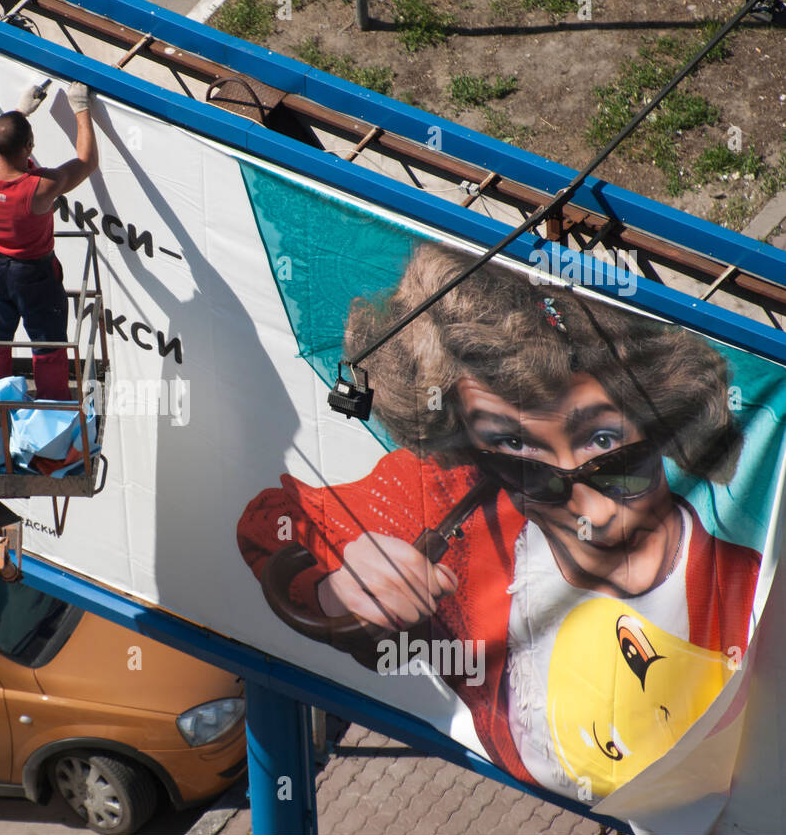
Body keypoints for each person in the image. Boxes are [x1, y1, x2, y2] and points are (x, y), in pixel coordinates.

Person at [236, 242, 758, 799]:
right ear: (476, 453)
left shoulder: (755, 583)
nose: (595, 510)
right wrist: (338, 584)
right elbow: (282, 521)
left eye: (606, 444)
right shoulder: (458, 510)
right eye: (518, 450)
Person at [0, 80, 98, 401]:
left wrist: (20, 110)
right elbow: (86, 162)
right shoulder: (41, 186)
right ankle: (53, 408)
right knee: (48, 343)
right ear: (29, 147)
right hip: (32, 273)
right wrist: (81, 108)